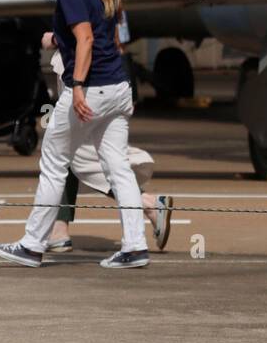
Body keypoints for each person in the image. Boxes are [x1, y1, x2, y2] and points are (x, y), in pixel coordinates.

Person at [0, 0, 149, 269]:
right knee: (118, 168)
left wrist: (76, 87)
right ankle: (135, 246)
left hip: (92, 87)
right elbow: (101, 36)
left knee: (54, 162)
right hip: (118, 86)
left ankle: (32, 244)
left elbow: (87, 39)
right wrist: (58, 39)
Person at [37, 30, 174, 253]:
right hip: (97, 76)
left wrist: (54, 39)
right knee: (75, 153)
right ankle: (59, 229)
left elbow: (87, 33)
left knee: (79, 155)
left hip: (86, 77)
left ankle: (147, 205)